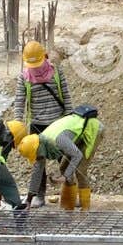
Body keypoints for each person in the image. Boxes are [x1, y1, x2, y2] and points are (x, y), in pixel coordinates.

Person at [16, 40, 72, 204]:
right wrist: (18, 125)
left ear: (45, 57)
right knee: (38, 162)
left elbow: (66, 96)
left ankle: (69, 193)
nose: (34, 68)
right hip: (37, 125)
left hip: (59, 124)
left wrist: (70, 117)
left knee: (65, 159)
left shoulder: (56, 72)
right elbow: (20, 102)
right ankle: (39, 195)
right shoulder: (24, 78)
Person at [17, 106, 102, 210]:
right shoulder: (40, 143)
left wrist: (66, 175)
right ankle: (69, 202)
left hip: (93, 128)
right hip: (76, 132)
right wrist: (28, 200)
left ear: (38, 148)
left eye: (37, 156)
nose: (39, 158)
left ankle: (85, 206)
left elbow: (77, 155)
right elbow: (37, 172)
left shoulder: (58, 140)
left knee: (80, 170)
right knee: (64, 168)